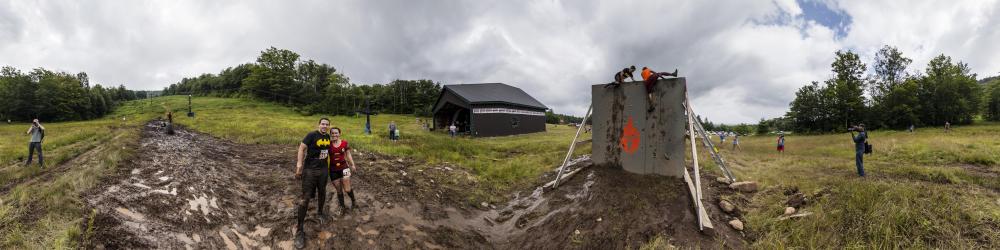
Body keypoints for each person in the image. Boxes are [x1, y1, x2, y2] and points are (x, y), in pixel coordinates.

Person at [293, 118, 332, 248]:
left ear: (328, 126)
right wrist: (299, 164)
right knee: (306, 198)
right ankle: (299, 229)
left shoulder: (327, 136)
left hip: (323, 169)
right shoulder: (311, 135)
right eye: (323, 124)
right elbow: (301, 148)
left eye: (327, 124)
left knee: (322, 191)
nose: (325, 126)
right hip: (310, 169)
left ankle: (320, 213)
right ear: (318, 125)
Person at [327, 127, 358, 215]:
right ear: (330, 134)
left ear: (339, 134)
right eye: (332, 133)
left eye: (336, 133)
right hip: (333, 170)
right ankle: (342, 206)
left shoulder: (344, 143)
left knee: (347, 189)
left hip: (344, 168)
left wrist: (352, 164)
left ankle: (354, 201)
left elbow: (348, 154)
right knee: (339, 190)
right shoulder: (328, 144)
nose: (334, 135)